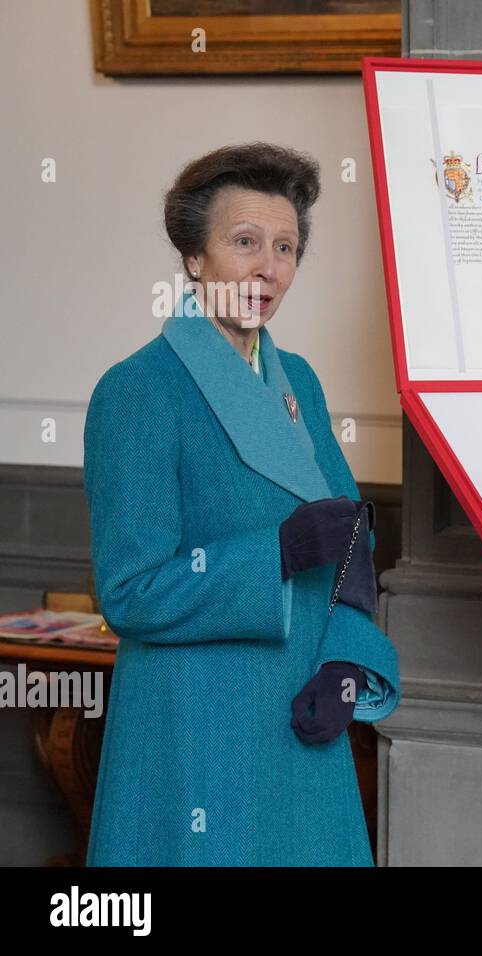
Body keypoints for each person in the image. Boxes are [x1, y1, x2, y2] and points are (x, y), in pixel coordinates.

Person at [83, 143, 400, 865]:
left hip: (304, 712)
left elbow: (350, 539)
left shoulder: (303, 384)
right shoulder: (137, 391)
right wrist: (276, 554)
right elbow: (130, 594)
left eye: (285, 248)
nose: (268, 268)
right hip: (199, 725)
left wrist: (346, 665)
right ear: (194, 258)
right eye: (245, 242)